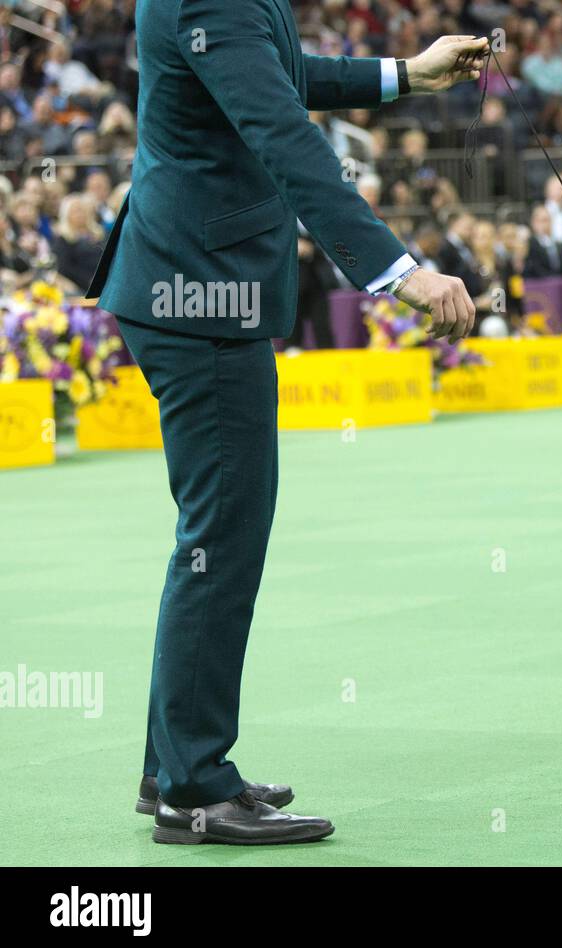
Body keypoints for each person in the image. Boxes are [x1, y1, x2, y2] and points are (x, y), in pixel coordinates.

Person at [84, 0, 487, 846]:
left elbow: (284, 76)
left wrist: (409, 72)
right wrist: (396, 271)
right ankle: (195, 786)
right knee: (221, 534)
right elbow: (279, 129)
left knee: (214, 532)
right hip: (198, 292)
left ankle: (174, 767)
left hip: (195, 284)